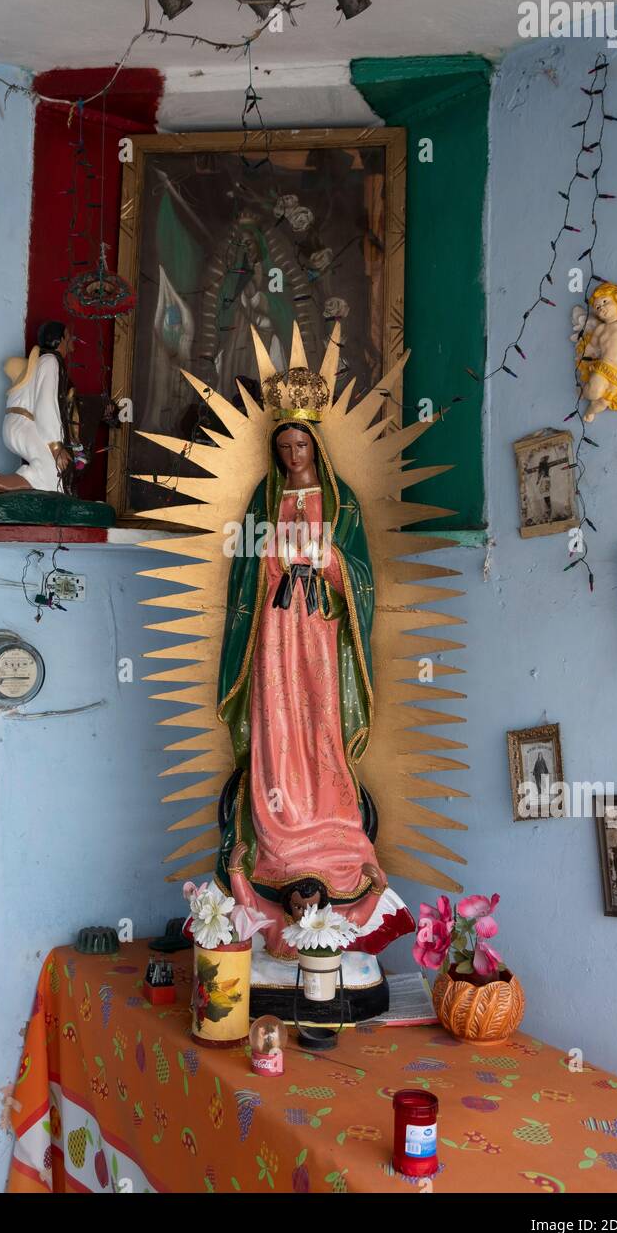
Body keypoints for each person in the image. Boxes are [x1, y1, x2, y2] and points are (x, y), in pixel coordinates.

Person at [214, 365, 413, 959]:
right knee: (277, 724)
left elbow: (361, 578)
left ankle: (328, 821)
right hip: (274, 631)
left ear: (315, 445)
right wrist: (276, 559)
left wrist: (327, 562)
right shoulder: (264, 498)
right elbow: (245, 576)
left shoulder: (341, 500)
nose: (294, 454)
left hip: (321, 631)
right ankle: (278, 826)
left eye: (301, 444)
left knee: (320, 723)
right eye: (284, 447)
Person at [0, 321, 81, 497]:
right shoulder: (50, 361)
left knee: (53, 476)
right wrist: (56, 446)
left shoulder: (46, 361)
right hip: (25, 424)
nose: (71, 341)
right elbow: (46, 405)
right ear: (60, 340)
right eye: (68, 337)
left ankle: (0, 487)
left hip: (22, 424)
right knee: (54, 473)